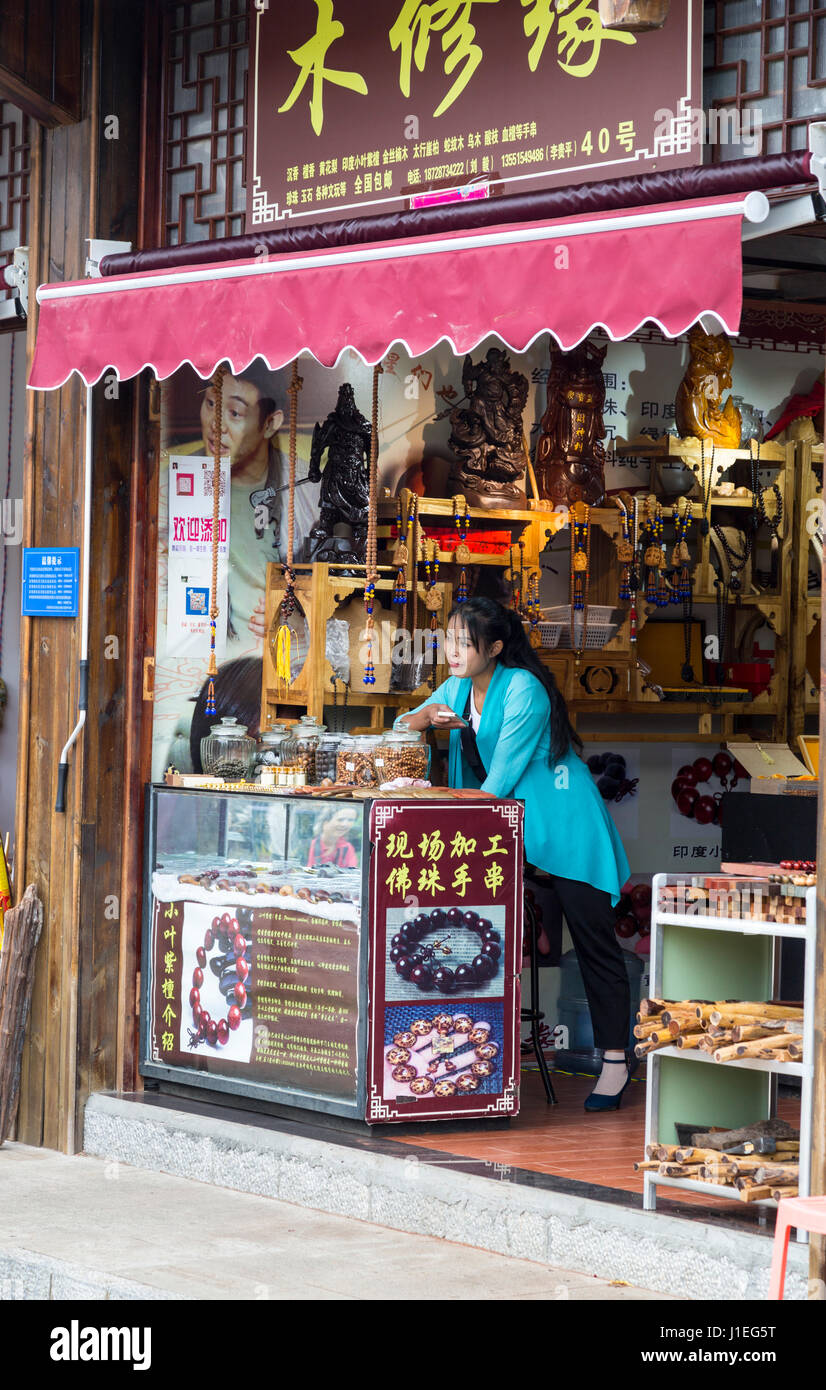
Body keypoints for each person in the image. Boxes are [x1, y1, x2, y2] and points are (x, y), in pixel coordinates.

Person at [397, 596, 633, 1112]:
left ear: (496, 648)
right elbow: (404, 722)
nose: (452, 652)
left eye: (465, 642)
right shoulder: (457, 687)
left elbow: (500, 781)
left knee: (594, 946)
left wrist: (435, 788)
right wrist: (423, 720)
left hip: (562, 827)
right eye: (448, 640)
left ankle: (616, 1059)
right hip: (508, 833)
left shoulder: (524, 690)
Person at [180, 359, 319, 643]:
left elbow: (331, 584)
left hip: (281, 665)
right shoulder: (177, 480)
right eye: (210, 404)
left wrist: (298, 613)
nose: (216, 426)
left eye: (234, 412)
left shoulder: (307, 489)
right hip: (200, 663)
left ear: (270, 423)